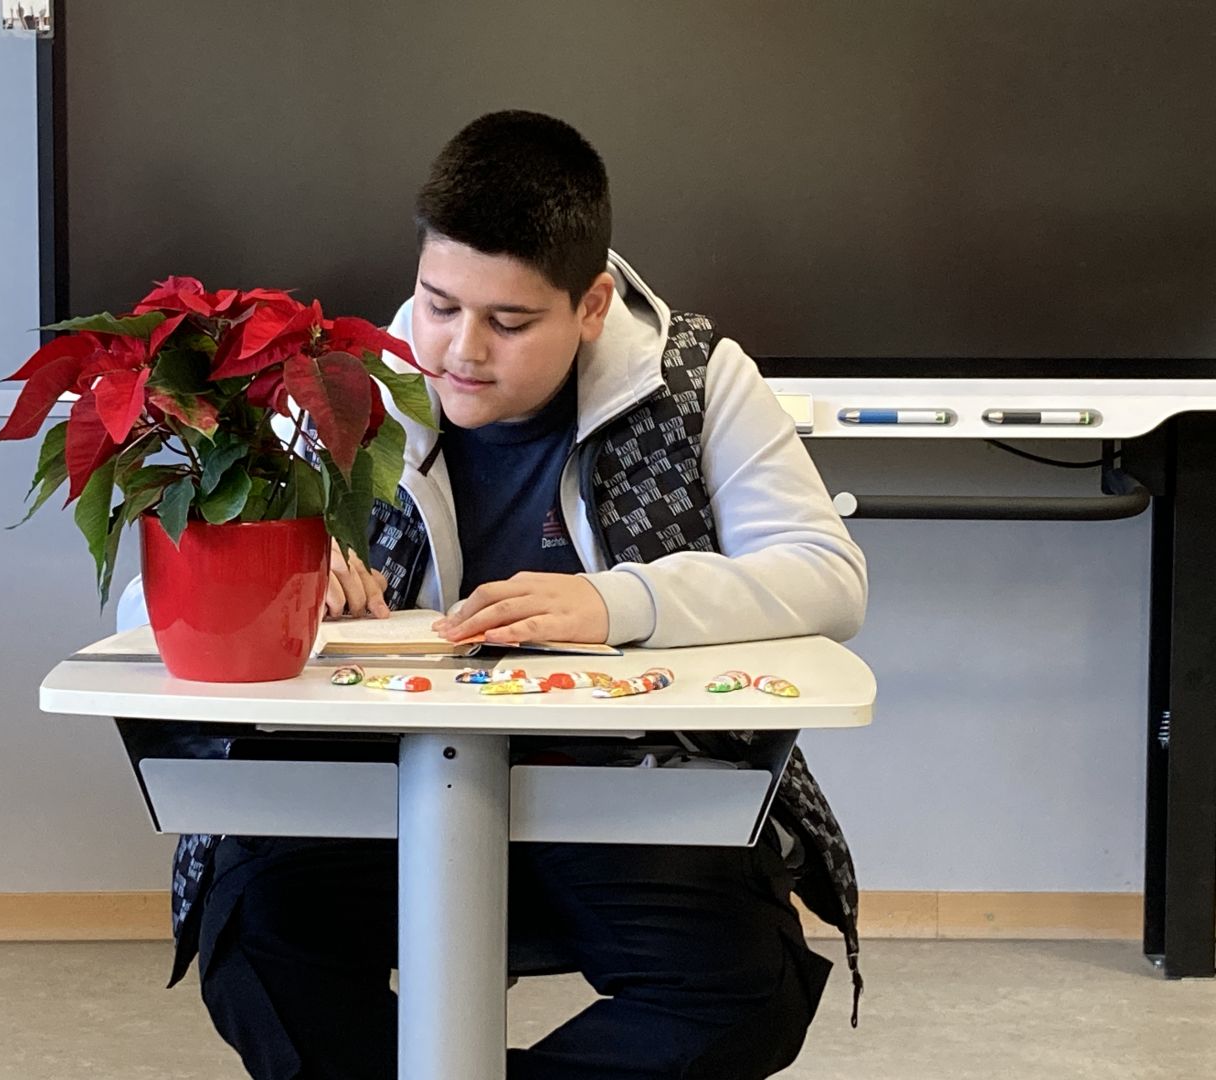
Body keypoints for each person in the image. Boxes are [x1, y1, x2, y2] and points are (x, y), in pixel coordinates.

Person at [182, 110, 868, 1080]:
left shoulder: (695, 375)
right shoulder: (343, 382)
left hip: (622, 789)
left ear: (591, 306)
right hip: (365, 793)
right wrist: (279, 584)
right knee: (256, 949)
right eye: (437, 303)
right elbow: (153, 608)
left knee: (745, 990)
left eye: (509, 322)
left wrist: (617, 605)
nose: (460, 349)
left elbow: (828, 576)